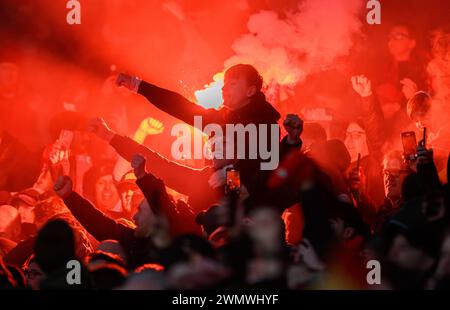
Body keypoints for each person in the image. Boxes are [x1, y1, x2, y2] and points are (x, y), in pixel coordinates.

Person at [116, 64, 281, 200]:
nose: (224, 88)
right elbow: (179, 106)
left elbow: (260, 173)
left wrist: (230, 175)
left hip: (252, 215)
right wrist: (138, 86)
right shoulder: (219, 119)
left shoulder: (267, 124)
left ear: (250, 91)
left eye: (232, 83)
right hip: (219, 202)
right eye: (224, 83)